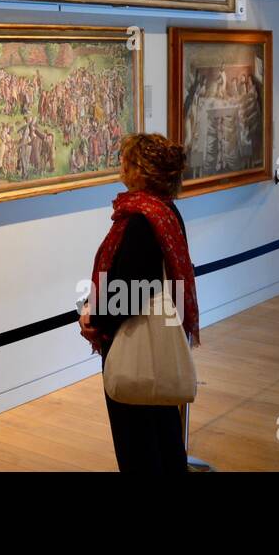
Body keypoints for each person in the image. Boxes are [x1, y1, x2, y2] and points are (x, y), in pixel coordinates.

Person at [79, 133, 199, 472]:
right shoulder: (166, 211)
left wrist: (95, 320)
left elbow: (131, 289)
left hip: (134, 342)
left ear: (141, 170)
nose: (120, 165)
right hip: (158, 340)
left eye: (125, 160)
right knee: (163, 428)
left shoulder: (141, 220)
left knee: (137, 441)